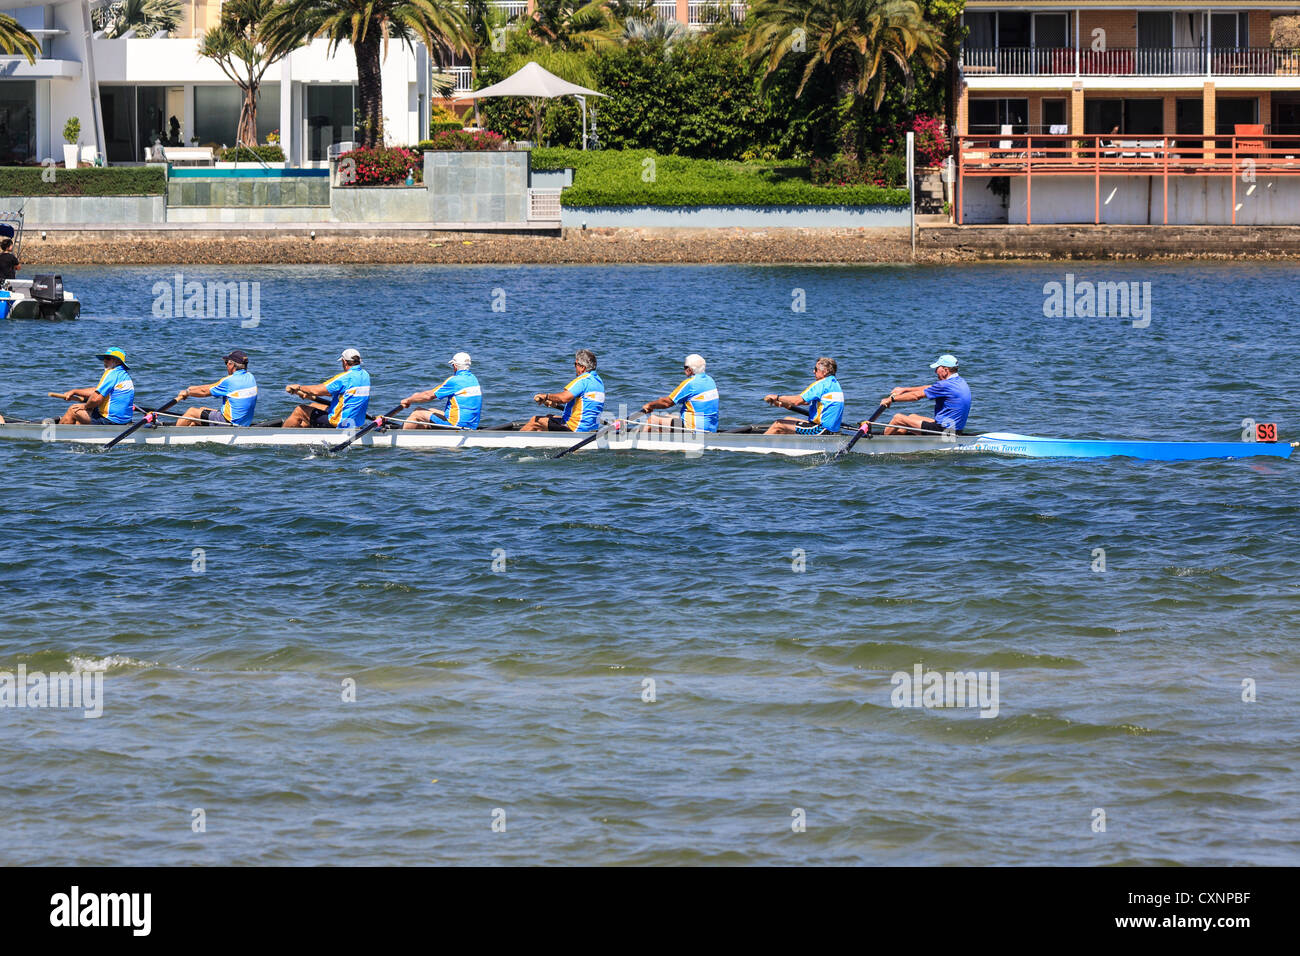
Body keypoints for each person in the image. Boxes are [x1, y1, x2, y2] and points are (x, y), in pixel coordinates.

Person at [867, 353, 971, 436]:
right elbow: (929, 387)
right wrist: (904, 390)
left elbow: (916, 396)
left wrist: (892, 399)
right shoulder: (959, 381)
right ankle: (899, 437)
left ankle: (880, 442)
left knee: (898, 418)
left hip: (944, 432)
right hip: (954, 429)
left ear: (945, 370)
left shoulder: (945, 385)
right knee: (912, 417)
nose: (935, 372)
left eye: (937, 369)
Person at [282, 348, 371, 428]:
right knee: (313, 406)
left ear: (344, 361)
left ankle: (281, 436)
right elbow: (333, 392)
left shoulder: (344, 378)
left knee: (299, 410)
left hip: (341, 424)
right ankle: (304, 432)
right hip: (357, 422)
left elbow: (316, 390)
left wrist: (299, 387)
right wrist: (307, 394)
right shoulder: (365, 375)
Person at [521, 349, 604, 432]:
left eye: (575, 364)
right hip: (590, 428)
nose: (574, 367)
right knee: (549, 417)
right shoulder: (598, 382)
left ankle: (515, 440)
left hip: (576, 428)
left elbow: (564, 398)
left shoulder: (583, 380)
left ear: (582, 367)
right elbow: (583, 405)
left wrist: (546, 396)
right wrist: (553, 403)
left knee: (535, 420)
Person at [174, 349, 258, 426]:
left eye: (226, 362)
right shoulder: (251, 377)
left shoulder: (229, 381)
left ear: (231, 364)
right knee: (203, 409)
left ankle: (173, 435)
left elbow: (204, 391)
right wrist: (191, 389)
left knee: (191, 412)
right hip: (244, 422)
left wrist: (188, 392)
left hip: (229, 424)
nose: (226, 365)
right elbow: (211, 387)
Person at [400, 351, 481, 430]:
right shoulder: (473, 379)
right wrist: (417, 397)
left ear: (455, 366)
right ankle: (421, 431)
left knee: (417, 412)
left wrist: (408, 400)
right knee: (432, 410)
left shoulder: (455, 380)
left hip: (457, 426)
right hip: (471, 425)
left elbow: (428, 396)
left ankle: (401, 436)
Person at [763, 357, 845, 435]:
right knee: (787, 419)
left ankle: (757, 444)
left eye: (816, 369)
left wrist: (776, 397)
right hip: (832, 429)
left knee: (778, 424)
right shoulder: (835, 384)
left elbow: (797, 401)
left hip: (821, 430)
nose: (813, 371)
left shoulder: (821, 384)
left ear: (825, 371)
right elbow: (805, 401)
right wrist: (783, 403)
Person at [640, 354, 719, 432]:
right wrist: (660, 403)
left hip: (693, 429)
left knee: (652, 420)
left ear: (690, 370)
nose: (684, 370)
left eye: (685, 367)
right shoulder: (710, 380)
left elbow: (667, 403)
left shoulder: (690, 383)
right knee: (666, 417)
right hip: (711, 428)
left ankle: (637, 443)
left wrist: (650, 405)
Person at [56, 348, 136, 425]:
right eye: (104, 358)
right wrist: (75, 392)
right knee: (82, 415)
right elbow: (97, 391)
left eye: (108, 358)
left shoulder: (111, 374)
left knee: (73, 410)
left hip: (110, 420)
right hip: (125, 420)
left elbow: (95, 399)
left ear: (118, 361)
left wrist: (86, 406)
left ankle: (59, 434)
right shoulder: (123, 375)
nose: (104, 360)